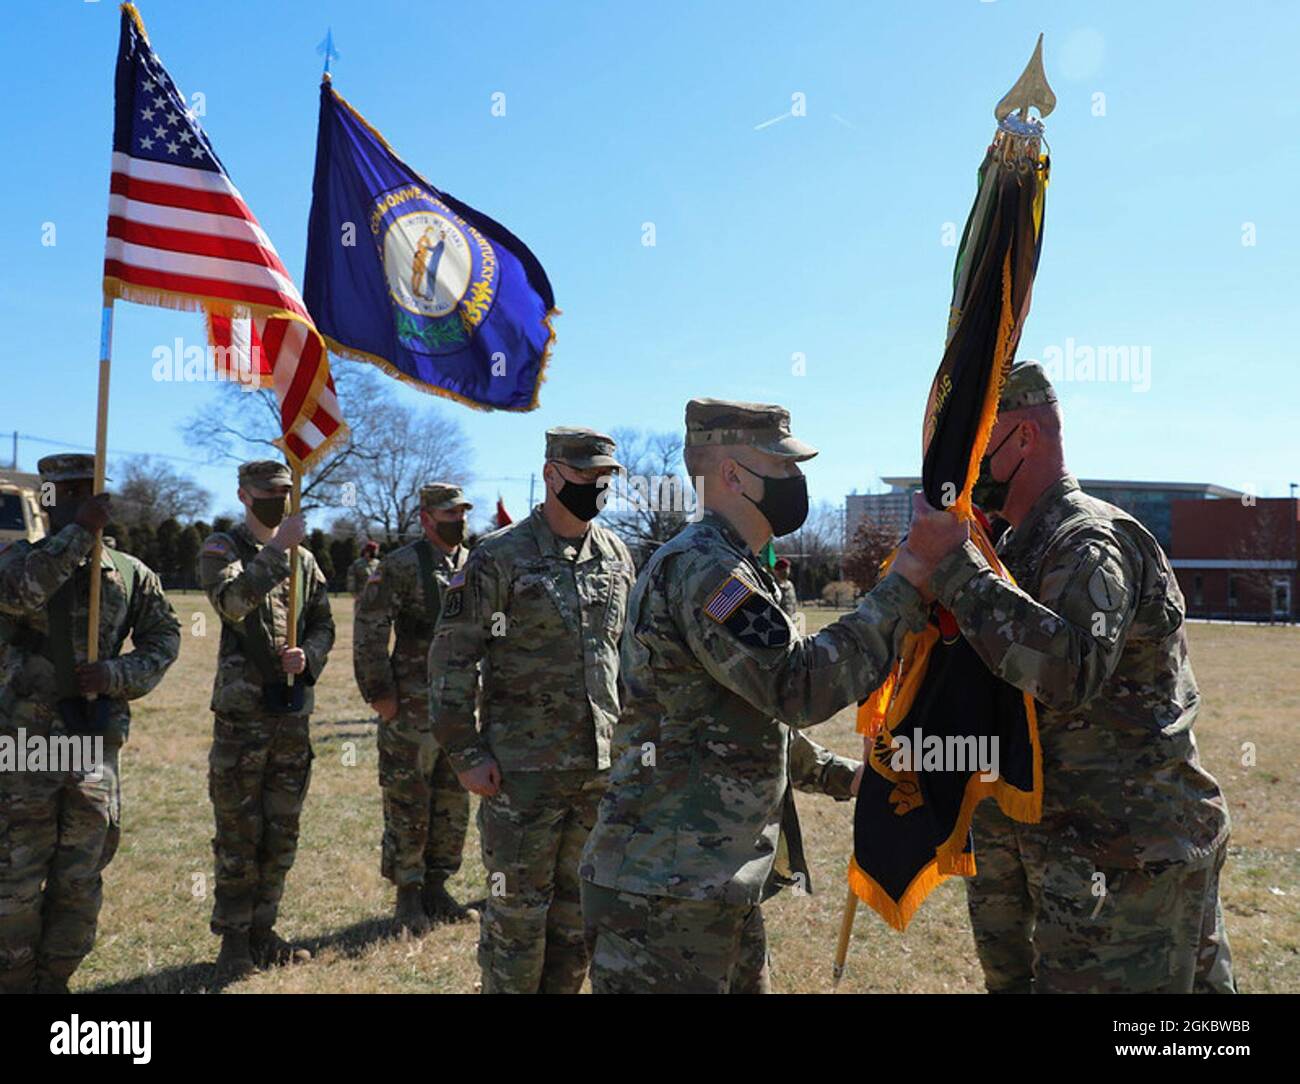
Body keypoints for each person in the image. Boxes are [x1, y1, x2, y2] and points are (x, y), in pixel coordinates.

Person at [580, 399, 943, 993]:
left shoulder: (738, 567)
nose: (797, 482)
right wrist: (905, 584)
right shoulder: (707, 572)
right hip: (665, 895)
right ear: (732, 476)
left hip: (709, 883)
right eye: (783, 467)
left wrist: (837, 775)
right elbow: (797, 685)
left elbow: (745, 717)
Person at [907, 361, 1234, 994]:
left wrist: (956, 569)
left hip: (1129, 852)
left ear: (1023, 438)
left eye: (975, 446)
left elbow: (1068, 671)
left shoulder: (1090, 541)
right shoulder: (1008, 544)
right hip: (1051, 848)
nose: (962, 467)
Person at [428, 428, 635, 993]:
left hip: (597, 775)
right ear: (550, 474)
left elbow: (631, 658)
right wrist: (465, 751)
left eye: (604, 478)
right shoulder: (498, 556)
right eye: (584, 476)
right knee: (516, 927)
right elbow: (451, 660)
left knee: (578, 923)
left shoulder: (617, 556)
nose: (595, 487)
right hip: (520, 776)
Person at [0, 453, 180, 993]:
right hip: (24, 749)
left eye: (86, 492)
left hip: (91, 749)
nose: (76, 500)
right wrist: (79, 533)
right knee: (15, 880)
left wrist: (115, 674)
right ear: (48, 500)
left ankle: (55, 983)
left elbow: (164, 639)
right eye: (65, 493)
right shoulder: (17, 561)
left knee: (80, 879)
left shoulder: (129, 574)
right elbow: (24, 593)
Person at [198, 460, 335, 981]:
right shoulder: (222, 549)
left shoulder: (306, 560)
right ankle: (233, 938)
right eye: (268, 491)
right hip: (243, 716)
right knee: (238, 829)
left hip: (291, 715)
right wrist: (278, 551)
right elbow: (233, 603)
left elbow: (322, 622)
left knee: (282, 827)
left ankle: (264, 927)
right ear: (243, 494)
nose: (278, 498)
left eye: (285, 490)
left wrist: (311, 657)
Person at [353, 483, 473, 933]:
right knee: (408, 800)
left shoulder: (472, 562)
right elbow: (369, 629)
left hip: (458, 707)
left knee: (452, 801)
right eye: (448, 513)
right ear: (426, 518)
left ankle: (437, 885)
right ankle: (408, 894)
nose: (457, 520)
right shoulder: (400, 566)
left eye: (461, 512)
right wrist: (379, 692)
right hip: (410, 707)